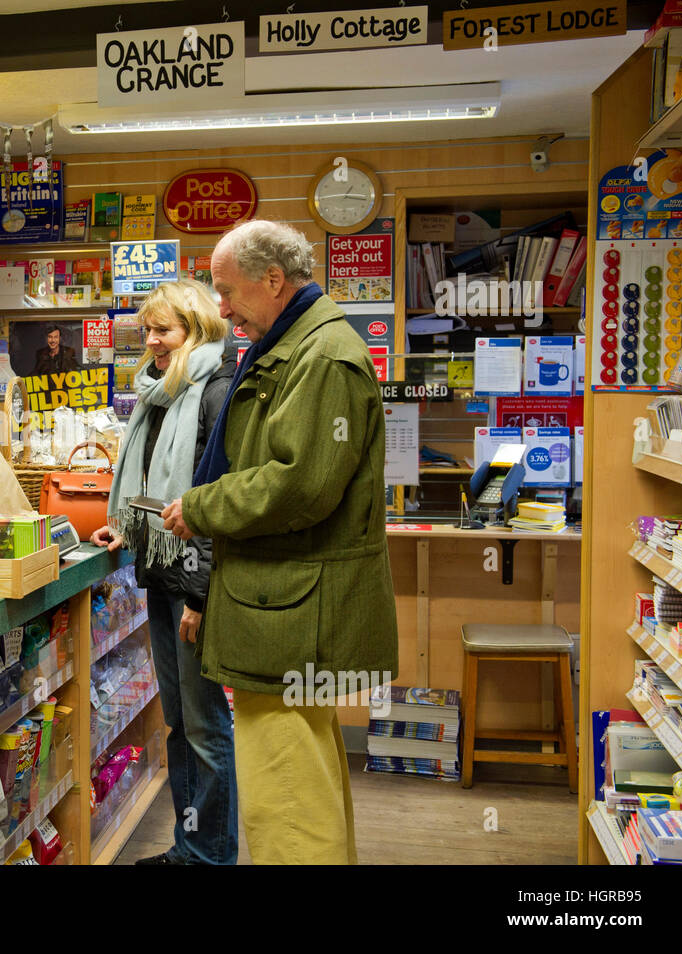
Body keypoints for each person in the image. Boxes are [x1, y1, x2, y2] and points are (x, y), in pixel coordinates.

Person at [161, 220, 399, 865]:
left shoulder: (319, 356)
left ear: (273, 280)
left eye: (227, 289)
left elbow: (302, 485)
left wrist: (202, 505)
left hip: (292, 611)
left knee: (285, 793)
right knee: (306, 775)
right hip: (287, 606)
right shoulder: (301, 343)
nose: (221, 306)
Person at [90, 278, 239, 865]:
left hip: (195, 581)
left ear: (196, 330)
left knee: (204, 726)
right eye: (146, 330)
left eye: (163, 330)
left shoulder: (212, 392)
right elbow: (156, 487)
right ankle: (189, 848)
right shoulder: (159, 394)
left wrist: (201, 598)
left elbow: (213, 501)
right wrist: (126, 528)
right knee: (180, 722)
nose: (151, 340)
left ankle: (211, 857)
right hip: (160, 570)